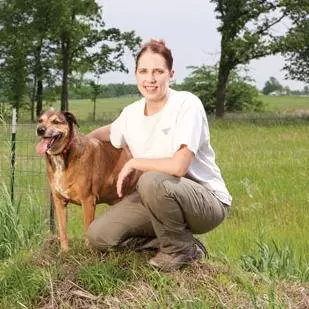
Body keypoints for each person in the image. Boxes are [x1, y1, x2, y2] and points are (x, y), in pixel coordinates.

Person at [87, 39, 232, 271]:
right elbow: (107, 133)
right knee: (99, 235)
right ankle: (181, 243)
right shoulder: (131, 113)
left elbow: (179, 167)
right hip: (155, 198)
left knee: (151, 179)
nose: (150, 79)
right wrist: (74, 142)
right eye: (143, 71)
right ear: (135, 74)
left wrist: (134, 162)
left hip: (205, 202)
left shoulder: (187, 104)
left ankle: (178, 250)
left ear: (171, 74)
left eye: (158, 71)